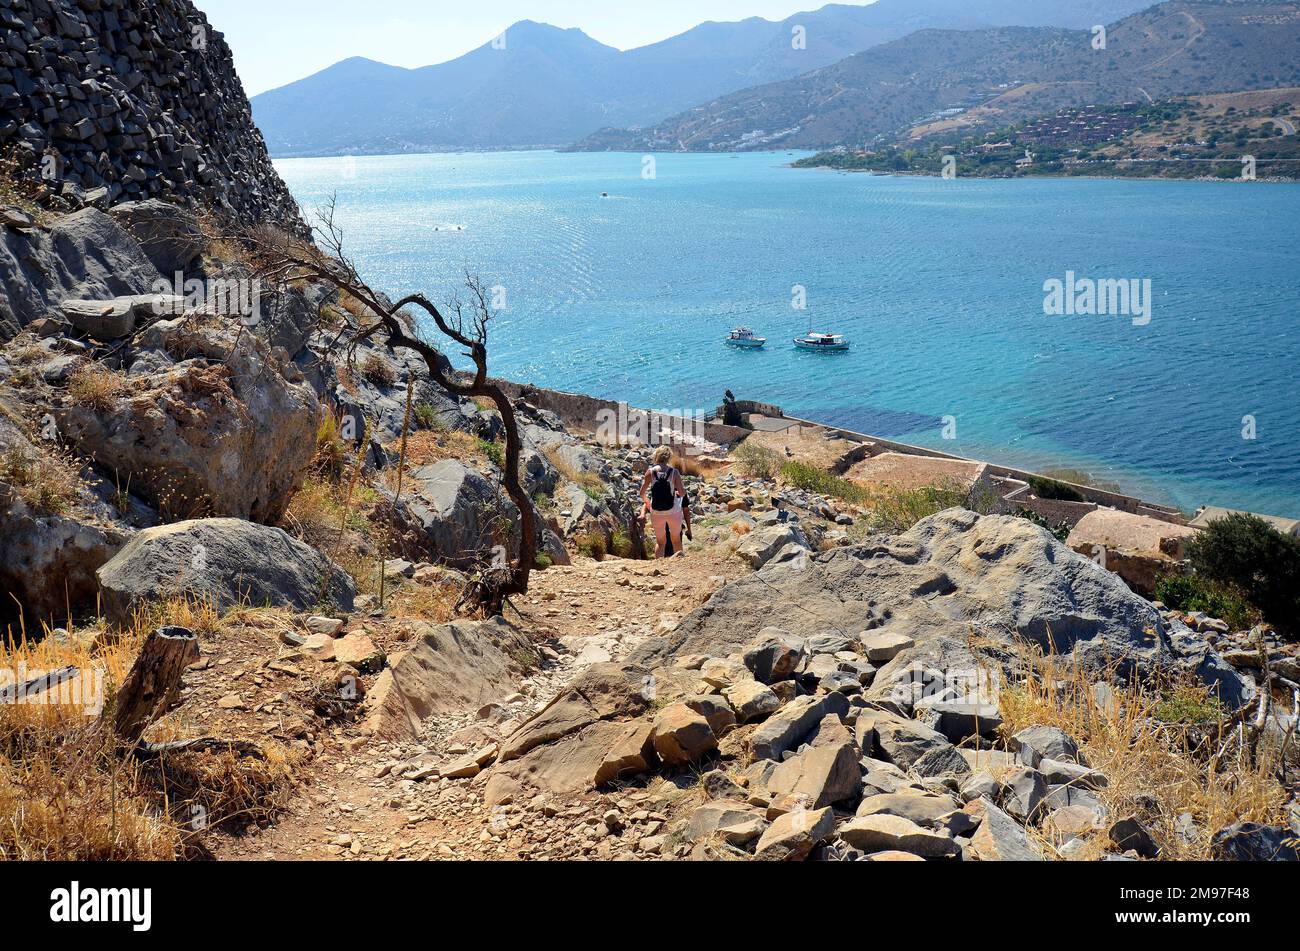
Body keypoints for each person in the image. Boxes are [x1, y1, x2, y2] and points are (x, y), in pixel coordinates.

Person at [639, 445, 685, 558]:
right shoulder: (674, 472)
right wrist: (676, 494)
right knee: (676, 540)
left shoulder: (650, 472)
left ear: (656, 456)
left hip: (656, 511)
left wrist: (647, 503)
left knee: (660, 542)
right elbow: (682, 493)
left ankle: (659, 566)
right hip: (673, 511)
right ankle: (679, 564)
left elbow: (642, 492)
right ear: (668, 457)